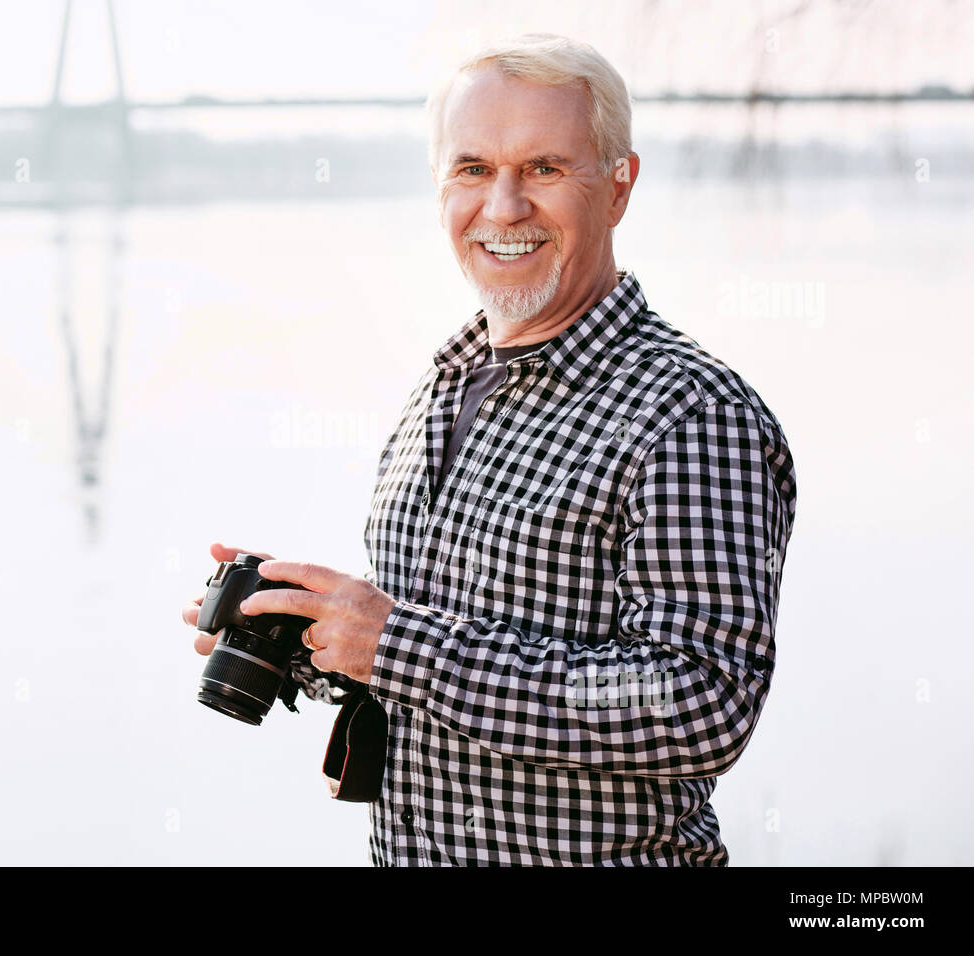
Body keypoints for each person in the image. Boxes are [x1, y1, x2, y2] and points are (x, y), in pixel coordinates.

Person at [181, 33, 797, 866]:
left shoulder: (689, 414)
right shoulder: (441, 388)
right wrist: (303, 637)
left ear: (618, 187)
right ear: (440, 188)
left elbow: (696, 708)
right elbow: (423, 665)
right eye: (473, 169)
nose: (504, 208)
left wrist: (398, 643)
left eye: (545, 168)